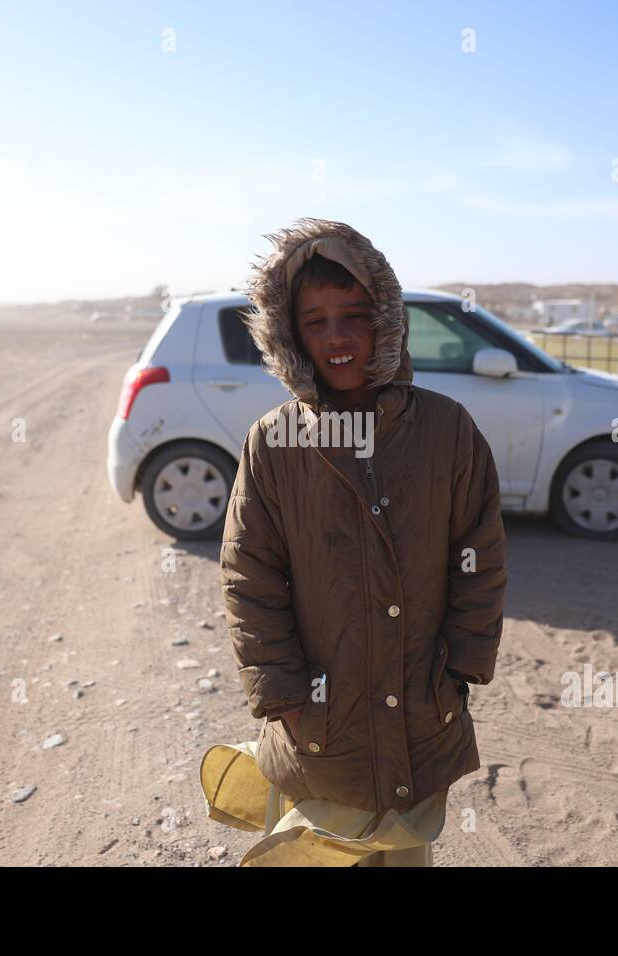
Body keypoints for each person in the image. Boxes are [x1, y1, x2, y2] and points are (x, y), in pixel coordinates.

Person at [200, 217, 507, 866]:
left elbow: (478, 560)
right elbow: (249, 578)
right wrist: (285, 697)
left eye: (355, 315)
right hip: (319, 728)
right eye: (315, 321)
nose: (338, 337)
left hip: (420, 719)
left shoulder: (447, 432)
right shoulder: (274, 444)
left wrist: (457, 672)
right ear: (290, 336)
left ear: (388, 321)